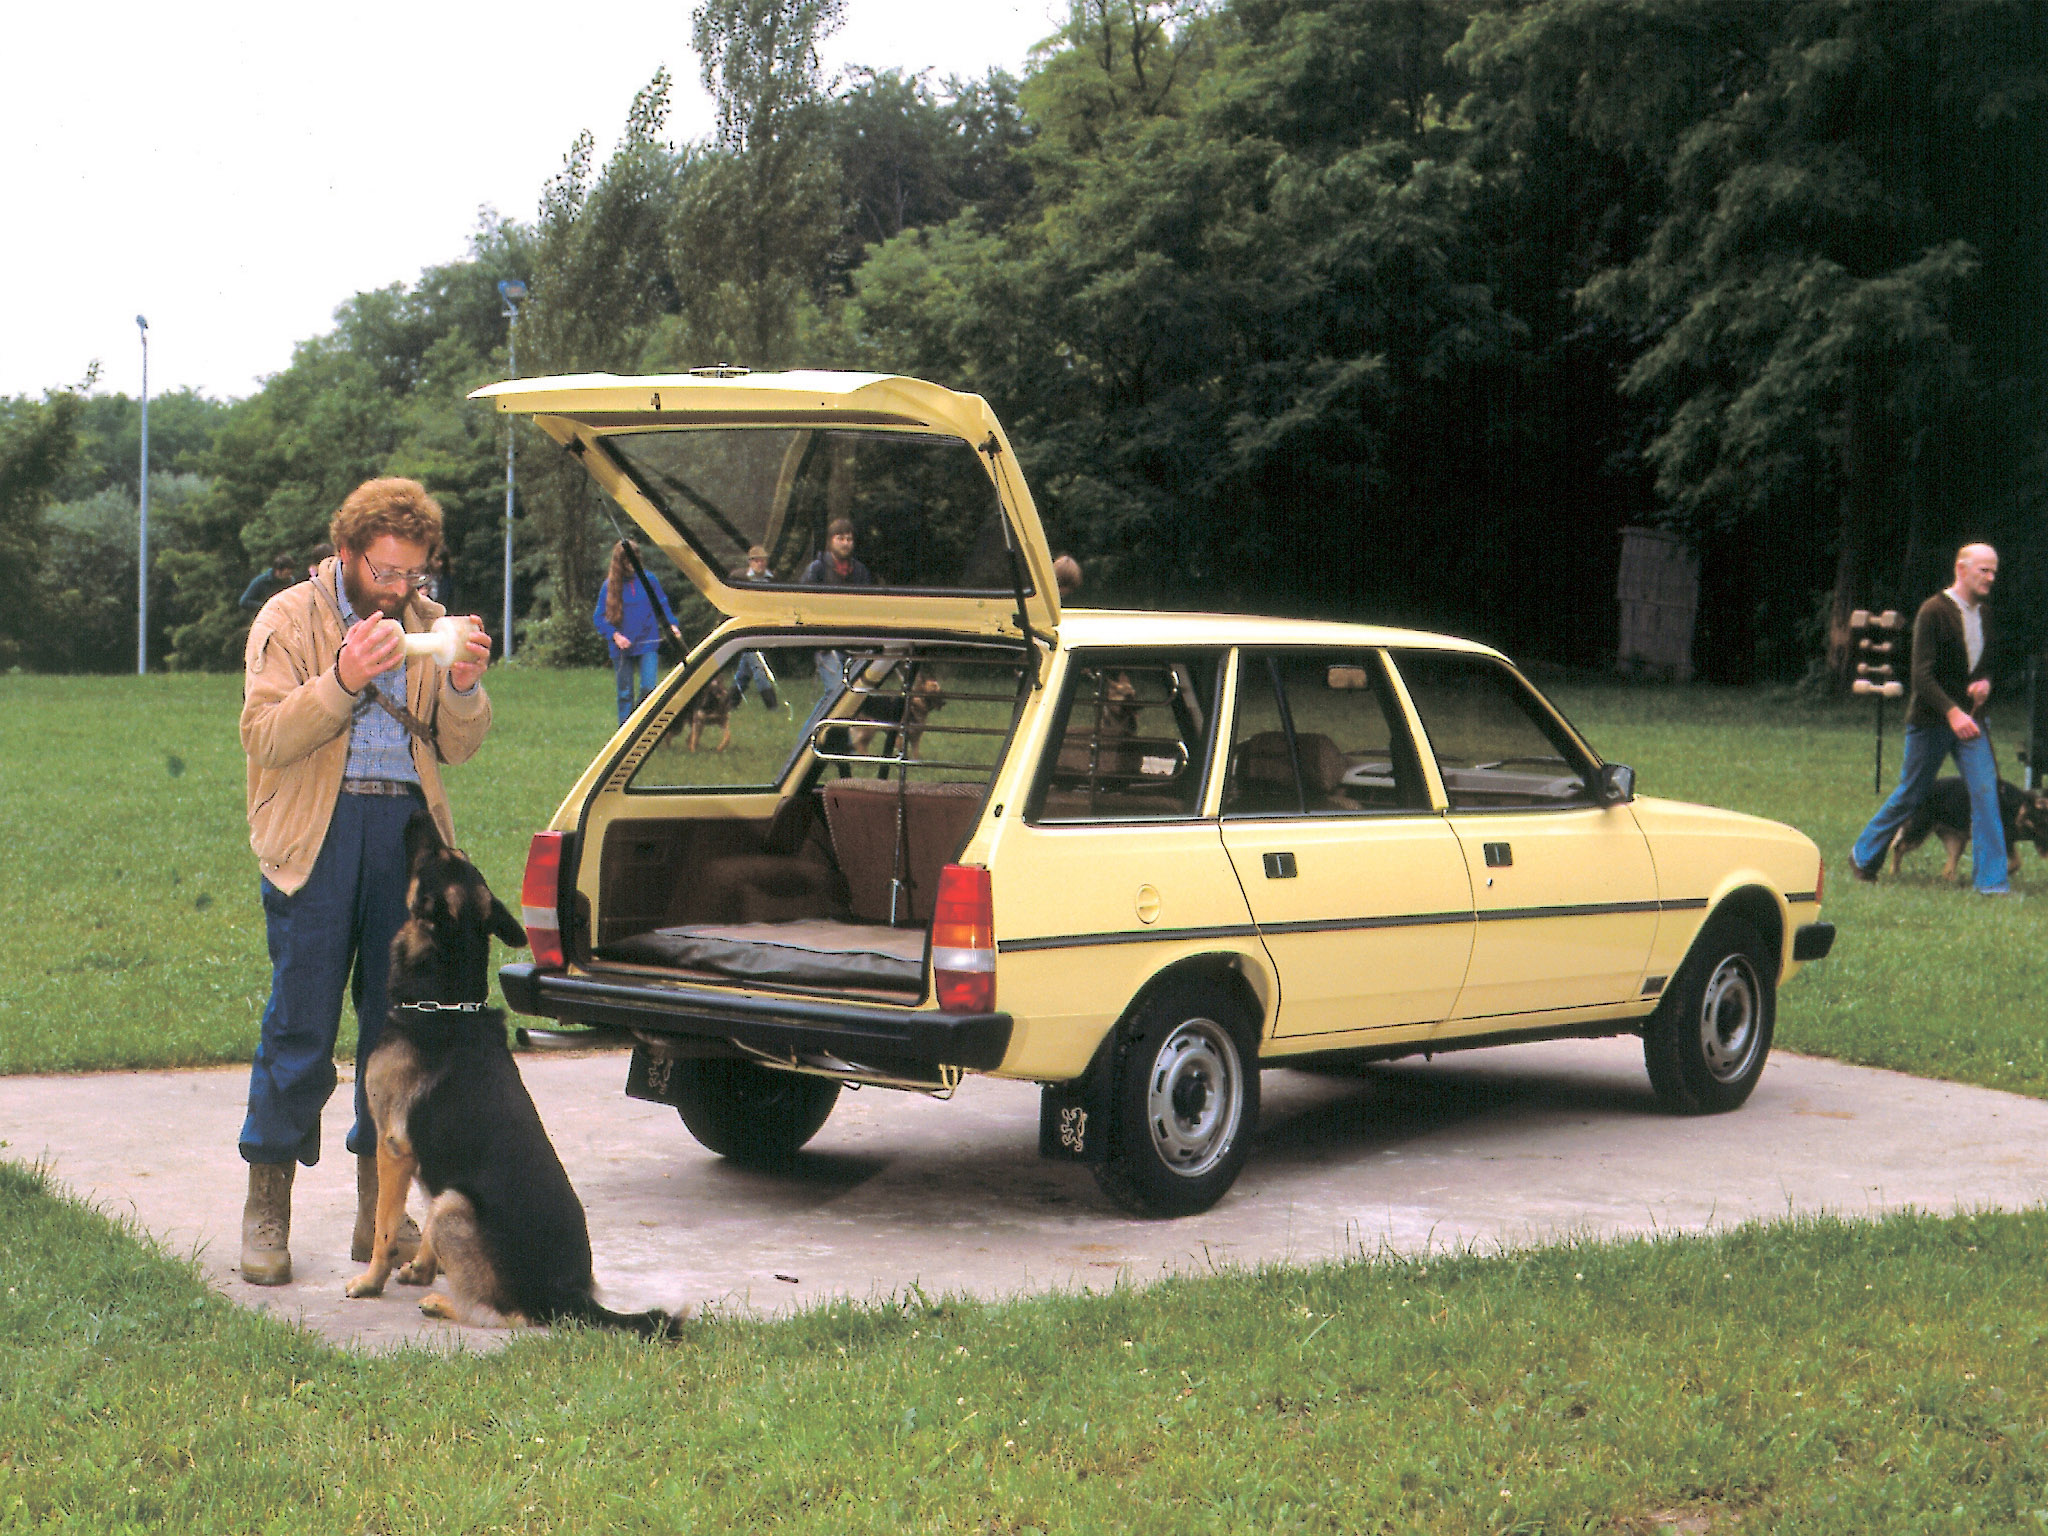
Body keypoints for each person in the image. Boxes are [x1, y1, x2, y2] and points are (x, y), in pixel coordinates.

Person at [237, 477, 496, 1286]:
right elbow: (265, 736)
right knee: (301, 1023)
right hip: (318, 836)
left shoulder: (427, 622)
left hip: (404, 839)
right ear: (345, 553)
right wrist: (344, 680)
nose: (398, 590)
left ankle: (374, 1215)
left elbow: (458, 746)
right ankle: (267, 1201)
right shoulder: (287, 618)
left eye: (412, 575)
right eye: (383, 572)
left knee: (395, 1031)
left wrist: (462, 685)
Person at [1850, 543, 2012, 895]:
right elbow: (1921, 677)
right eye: (1984, 570)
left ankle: (1992, 883)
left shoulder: (1984, 614)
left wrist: (1984, 684)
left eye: (1994, 571)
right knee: (1912, 794)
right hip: (1931, 721)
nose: (1991, 577)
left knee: (1986, 794)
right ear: (1962, 568)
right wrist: (1952, 713)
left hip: (1972, 722)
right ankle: (1862, 857)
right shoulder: (1933, 611)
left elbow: (1984, 667)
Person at [594, 538, 684, 726]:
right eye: (627, 561)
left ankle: (639, 724)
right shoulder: (609, 585)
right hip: (621, 647)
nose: (631, 565)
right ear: (619, 562)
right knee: (625, 693)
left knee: (649, 688)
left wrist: (672, 625)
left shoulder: (649, 579)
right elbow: (599, 617)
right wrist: (615, 636)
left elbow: (662, 605)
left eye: (635, 559)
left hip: (648, 642)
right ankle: (625, 733)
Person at [799, 518, 877, 697]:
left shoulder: (860, 571)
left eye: (849, 539)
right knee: (836, 695)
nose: (845, 543)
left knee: (853, 696)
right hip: (826, 643)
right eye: (840, 539)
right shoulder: (816, 570)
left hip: (855, 643)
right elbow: (804, 605)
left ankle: (821, 726)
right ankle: (817, 726)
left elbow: (868, 606)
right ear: (830, 541)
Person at [726, 545, 780, 709]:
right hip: (747, 627)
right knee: (759, 666)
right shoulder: (739, 578)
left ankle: (730, 703)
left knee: (744, 671)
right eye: (756, 561)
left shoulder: (773, 579)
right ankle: (772, 705)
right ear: (750, 562)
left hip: (765, 626)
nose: (760, 564)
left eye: (763, 560)